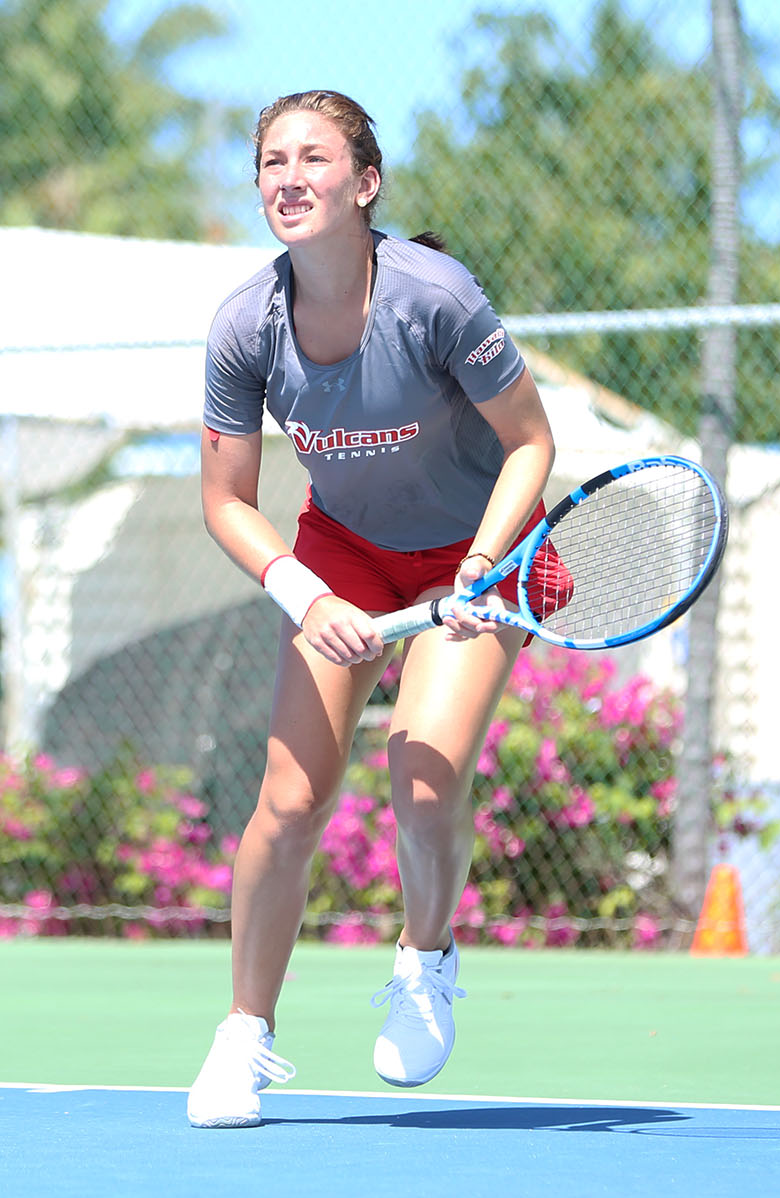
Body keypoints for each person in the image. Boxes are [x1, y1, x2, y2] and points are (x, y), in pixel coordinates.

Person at [188, 90, 556, 1128]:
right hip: (342, 557)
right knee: (288, 802)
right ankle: (243, 1036)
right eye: (271, 161)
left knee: (424, 777)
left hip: (474, 554)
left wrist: (480, 571)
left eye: (314, 157)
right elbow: (224, 502)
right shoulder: (242, 329)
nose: (290, 177)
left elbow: (532, 441)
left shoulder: (435, 296)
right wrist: (307, 597)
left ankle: (425, 960)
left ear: (365, 182)